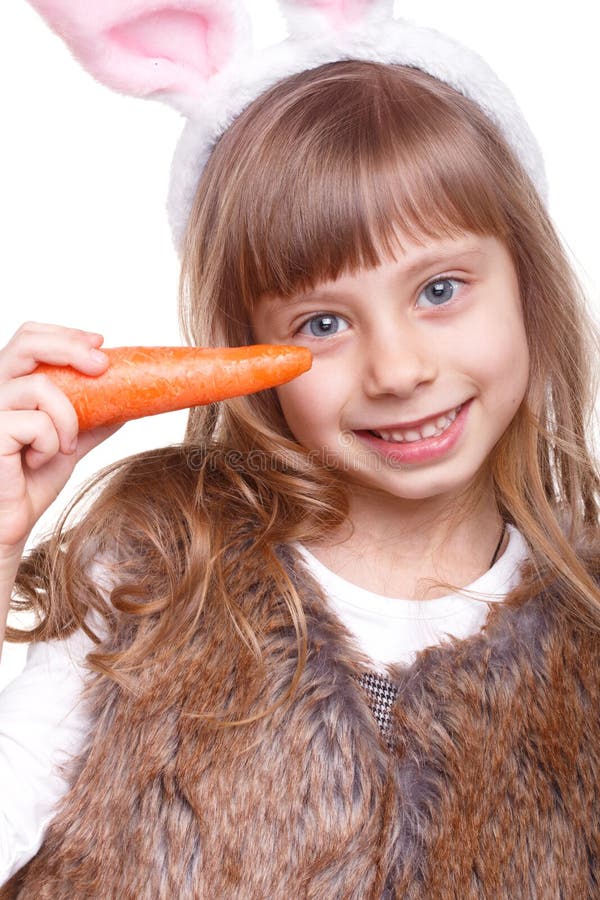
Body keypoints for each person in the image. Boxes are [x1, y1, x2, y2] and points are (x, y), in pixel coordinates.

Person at [1, 1, 600, 896]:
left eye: (440, 289)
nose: (397, 370)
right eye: (321, 322)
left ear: (529, 284)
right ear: (249, 352)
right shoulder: (151, 572)